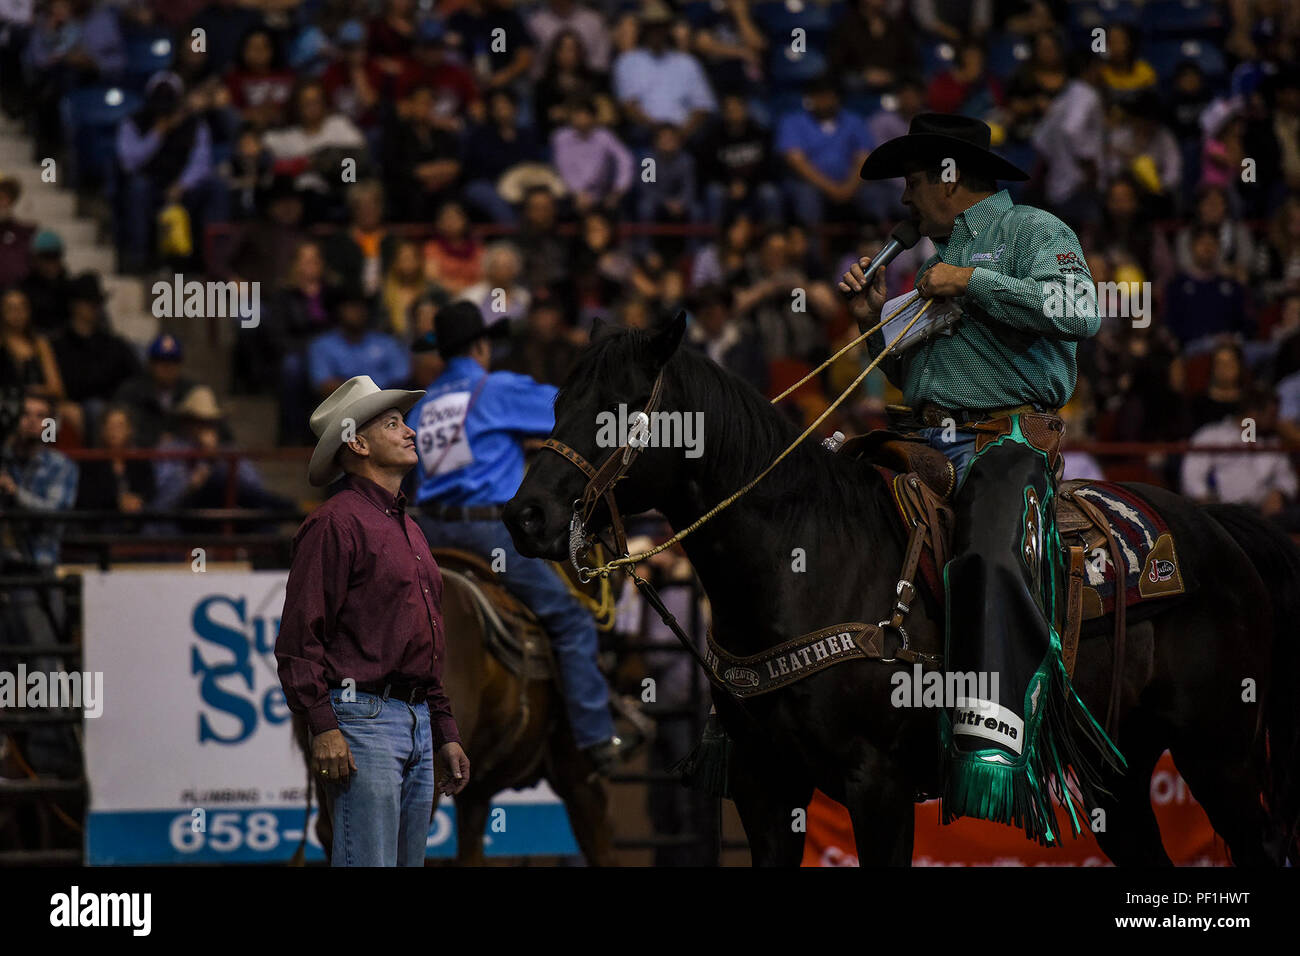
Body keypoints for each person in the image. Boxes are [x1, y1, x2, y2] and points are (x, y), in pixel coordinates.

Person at [843, 112, 1117, 842]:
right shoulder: (930, 260)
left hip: (1008, 440)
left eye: (912, 181)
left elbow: (1079, 309)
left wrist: (969, 279)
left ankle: (992, 738)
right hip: (924, 437)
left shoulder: (1034, 230)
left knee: (986, 554)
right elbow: (912, 371)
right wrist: (875, 322)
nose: (905, 198)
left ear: (947, 179)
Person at [407, 302, 636, 774]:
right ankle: (595, 736)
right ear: (481, 346)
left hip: (426, 534)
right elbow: (576, 410)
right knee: (570, 620)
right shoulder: (497, 388)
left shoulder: (424, 405)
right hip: (486, 531)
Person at [276, 374, 471, 866]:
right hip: (362, 718)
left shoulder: (406, 526)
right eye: (392, 423)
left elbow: (425, 642)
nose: (410, 432)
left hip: (412, 719)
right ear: (357, 442)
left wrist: (443, 729)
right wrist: (324, 726)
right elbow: (300, 639)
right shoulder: (333, 524)